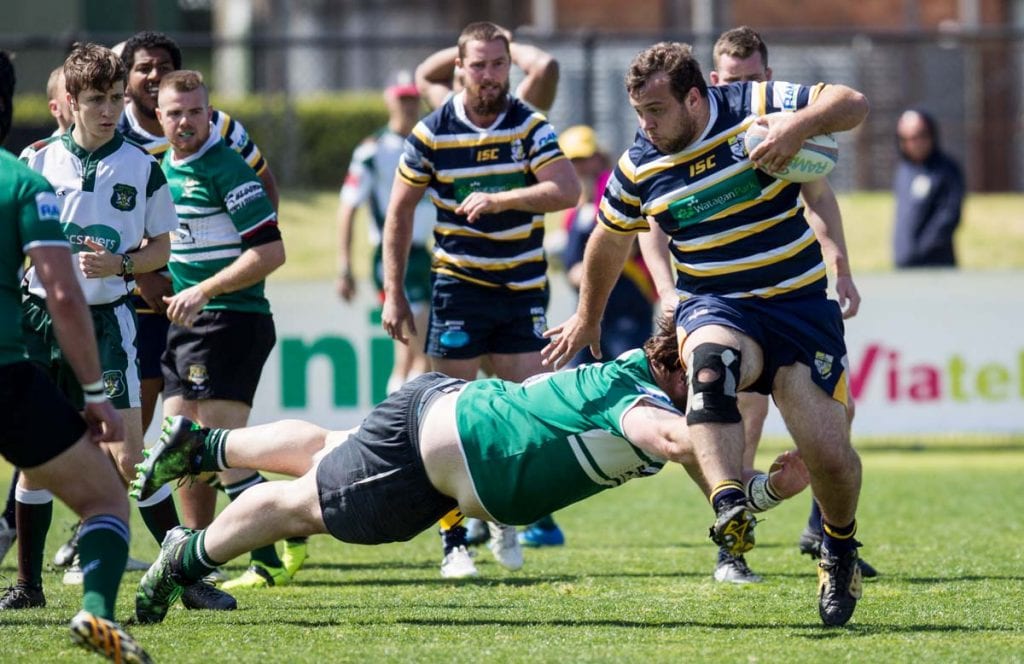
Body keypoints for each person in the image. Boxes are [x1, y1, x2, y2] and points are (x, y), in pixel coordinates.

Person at [131, 320, 812, 625]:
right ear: (681, 367)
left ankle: (203, 444)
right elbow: (669, 439)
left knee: (328, 450)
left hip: (441, 411)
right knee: (303, 505)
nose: (719, 392)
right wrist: (744, 479)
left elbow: (702, 465)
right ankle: (182, 558)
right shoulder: (641, 401)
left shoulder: (634, 373)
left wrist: (759, 490)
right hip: (443, 452)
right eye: (714, 379)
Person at [542, 41, 870, 627]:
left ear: (696, 97)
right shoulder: (640, 164)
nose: (646, 125)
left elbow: (851, 102)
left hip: (797, 304)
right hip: (718, 303)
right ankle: (728, 505)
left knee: (829, 455)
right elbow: (608, 242)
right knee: (710, 366)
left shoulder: (754, 103)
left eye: (657, 111)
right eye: (639, 112)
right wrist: (588, 316)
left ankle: (839, 547)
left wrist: (797, 128)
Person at [381, 22, 579, 579]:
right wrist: (394, 293)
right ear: (459, 69)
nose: (489, 75)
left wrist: (503, 198)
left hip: (520, 289)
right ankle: (452, 543)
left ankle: (505, 516)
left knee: (523, 414)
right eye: (478, 65)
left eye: (498, 64)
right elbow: (399, 213)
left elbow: (567, 190)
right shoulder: (433, 130)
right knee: (445, 416)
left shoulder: (528, 123)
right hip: (458, 286)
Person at [6, 43, 190, 610]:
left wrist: (123, 265)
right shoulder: (35, 161)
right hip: (38, 321)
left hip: (109, 322)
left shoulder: (143, 166)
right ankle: (28, 586)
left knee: (128, 457)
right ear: (69, 102)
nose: (109, 110)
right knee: (35, 462)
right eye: (95, 100)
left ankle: (186, 574)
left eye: (115, 98)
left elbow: (162, 247)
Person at [695, 25, 876, 585]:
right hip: (730, 304)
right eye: (731, 80)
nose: (744, 88)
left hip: (795, 299)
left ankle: (824, 530)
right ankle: (733, 550)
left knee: (837, 416)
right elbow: (652, 219)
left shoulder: (783, 126)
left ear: (767, 78)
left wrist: (840, 266)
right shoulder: (696, 133)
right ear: (713, 81)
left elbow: (819, 196)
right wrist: (668, 286)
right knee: (740, 418)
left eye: (753, 79)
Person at [155, 70, 290, 590]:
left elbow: (271, 250)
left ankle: (272, 548)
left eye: (195, 111)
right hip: (189, 324)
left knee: (221, 451)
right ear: (159, 115)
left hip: (231, 320)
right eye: (175, 112)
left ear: (209, 113)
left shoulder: (226, 168)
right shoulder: (162, 166)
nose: (185, 121)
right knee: (178, 447)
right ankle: (194, 556)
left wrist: (204, 289)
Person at [519, 124, 657, 549]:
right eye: (573, 160)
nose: (580, 166)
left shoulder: (606, 188)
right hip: (594, 316)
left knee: (634, 383)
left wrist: (582, 271)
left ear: (599, 158)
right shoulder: (575, 203)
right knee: (577, 389)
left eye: (585, 158)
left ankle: (647, 450)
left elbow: (624, 240)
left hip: (628, 307)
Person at [0, 64, 74, 566]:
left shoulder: (137, 164)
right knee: (107, 498)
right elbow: (62, 291)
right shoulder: (27, 173)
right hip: (16, 352)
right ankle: (98, 613)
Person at [337, 75, 431, 395]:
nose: (408, 105)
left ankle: (397, 418)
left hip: (425, 256)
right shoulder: (373, 150)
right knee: (425, 352)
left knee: (408, 354)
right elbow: (348, 207)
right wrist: (344, 266)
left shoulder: (429, 144)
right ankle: (402, 421)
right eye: (402, 98)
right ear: (389, 100)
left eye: (413, 98)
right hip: (392, 257)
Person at [892, 108, 964, 268]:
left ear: (931, 135)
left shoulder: (946, 169)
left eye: (920, 136)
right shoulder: (903, 171)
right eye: (907, 138)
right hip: (904, 265)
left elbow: (950, 215)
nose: (914, 143)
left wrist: (920, 250)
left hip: (936, 265)